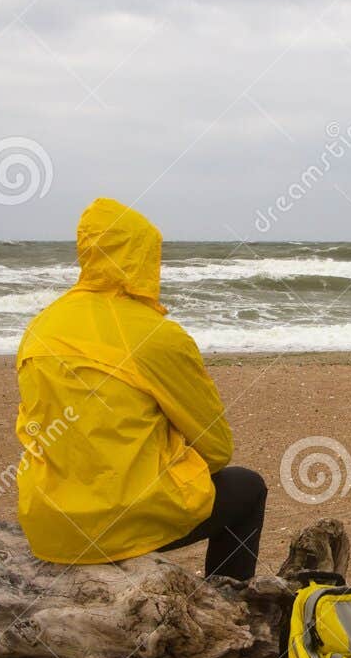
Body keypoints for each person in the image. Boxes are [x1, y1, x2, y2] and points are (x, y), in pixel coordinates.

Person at [13, 197, 266, 578]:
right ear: (142, 259)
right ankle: (230, 603)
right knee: (248, 489)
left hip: (49, 524)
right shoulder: (157, 336)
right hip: (119, 524)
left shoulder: (40, 327)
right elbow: (217, 448)